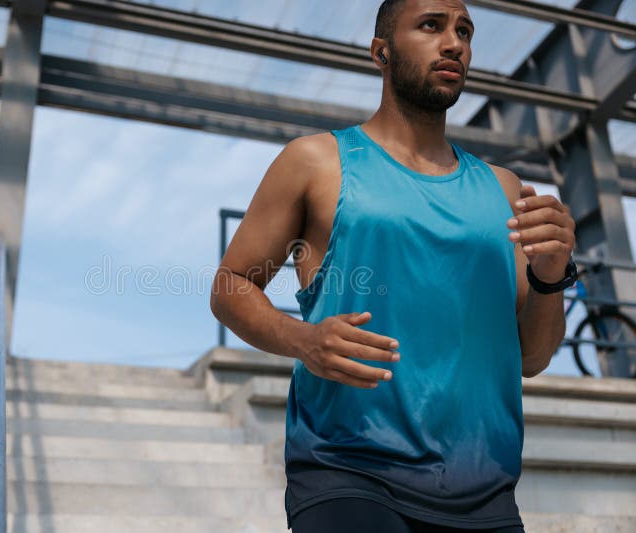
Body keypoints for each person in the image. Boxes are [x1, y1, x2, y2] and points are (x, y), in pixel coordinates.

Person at [209, 0, 576, 531]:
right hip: (347, 470)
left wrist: (552, 272)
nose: (454, 44)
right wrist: (302, 339)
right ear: (381, 52)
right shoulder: (316, 161)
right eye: (431, 25)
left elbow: (533, 357)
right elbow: (230, 285)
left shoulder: (504, 190)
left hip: (484, 487)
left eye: (465, 31)